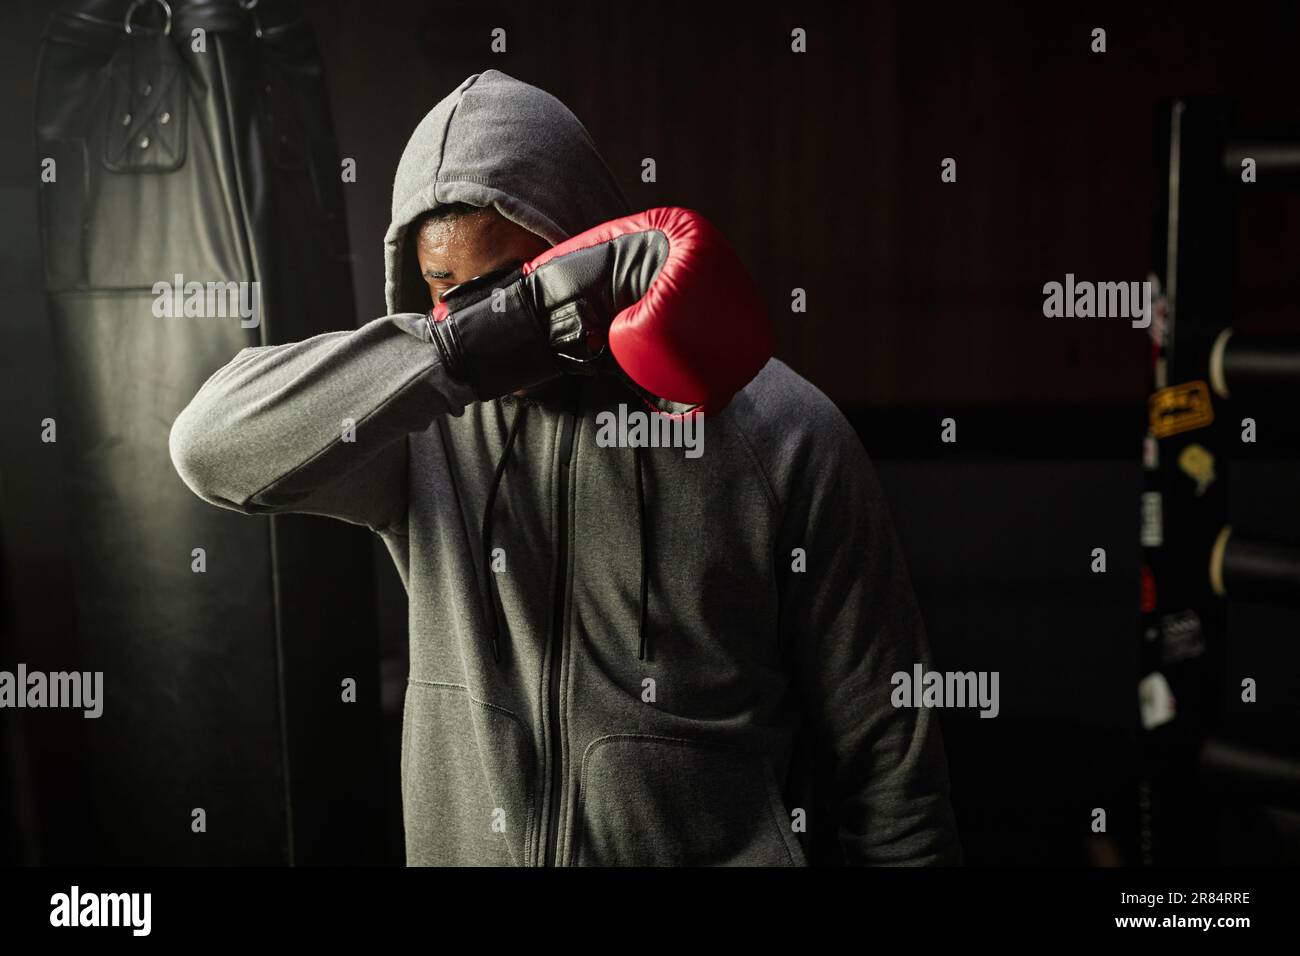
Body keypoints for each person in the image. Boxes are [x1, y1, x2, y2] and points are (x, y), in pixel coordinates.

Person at [168, 68, 961, 866]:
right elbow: (208, 449)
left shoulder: (782, 434)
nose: (485, 317)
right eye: (447, 289)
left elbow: (890, 754)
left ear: (588, 242)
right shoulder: (419, 425)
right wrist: (461, 349)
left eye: (514, 284)